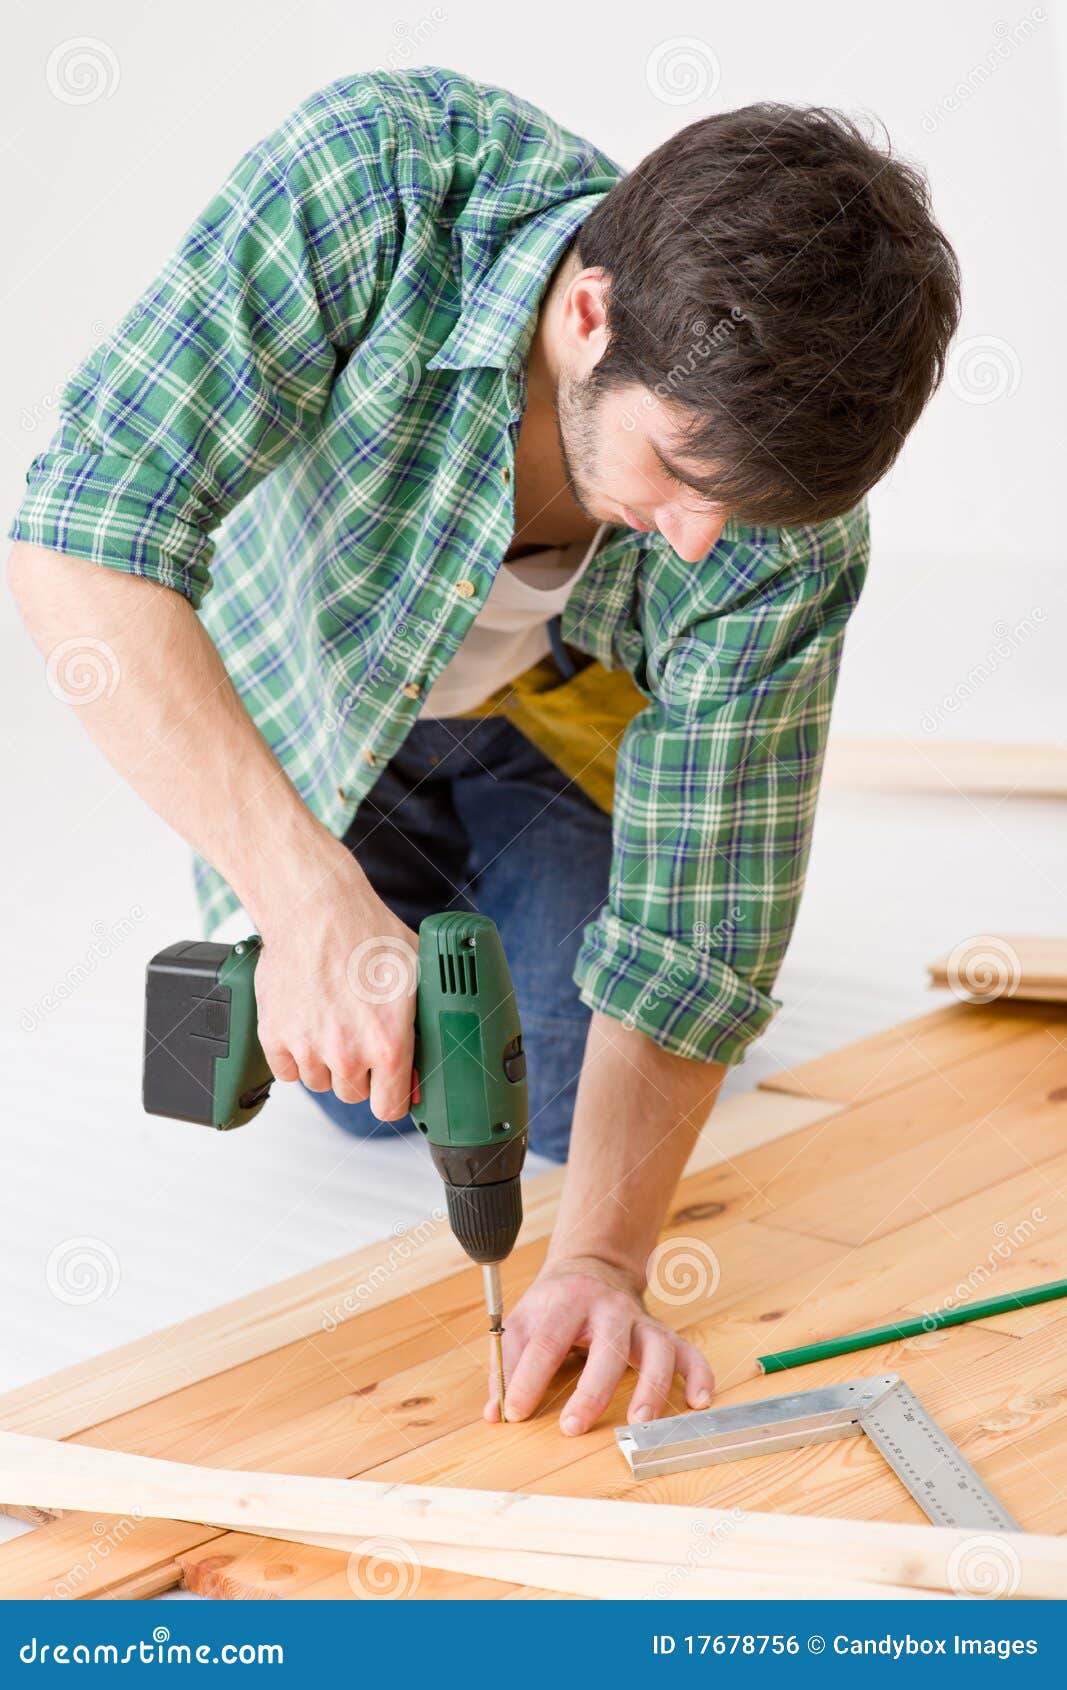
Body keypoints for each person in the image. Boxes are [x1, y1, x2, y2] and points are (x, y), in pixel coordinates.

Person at [7, 68, 959, 1436]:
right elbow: (81, 537)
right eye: (680, 475)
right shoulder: (374, 185)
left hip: (547, 728)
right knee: (366, 1087)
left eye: (741, 511)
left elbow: (698, 939)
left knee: (560, 1098)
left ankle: (408, 927)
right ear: (589, 315)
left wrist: (602, 1261)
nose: (698, 540)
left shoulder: (776, 519)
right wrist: (304, 898)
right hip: (319, 710)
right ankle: (301, 912)